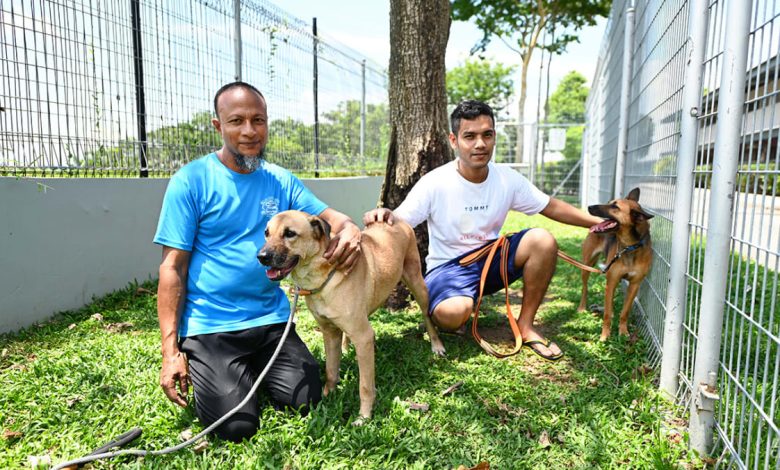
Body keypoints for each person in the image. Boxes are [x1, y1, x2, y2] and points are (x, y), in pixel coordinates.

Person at [153, 81, 361, 442]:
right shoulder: (190, 181)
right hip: (211, 327)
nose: (249, 131)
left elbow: (334, 219)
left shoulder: (281, 180)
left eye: (258, 120)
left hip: (270, 321)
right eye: (236, 121)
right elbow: (172, 268)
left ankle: (252, 370)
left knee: (307, 399)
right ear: (218, 126)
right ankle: (226, 372)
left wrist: (352, 229)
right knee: (235, 427)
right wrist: (170, 351)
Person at [363, 100, 602, 361]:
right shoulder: (435, 182)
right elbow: (400, 219)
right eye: (470, 136)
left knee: (542, 240)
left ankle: (526, 325)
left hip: (490, 261)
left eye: (487, 135)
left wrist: (596, 223)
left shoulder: (507, 178)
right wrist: (383, 216)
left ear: (494, 137)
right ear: (454, 141)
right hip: (448, 269)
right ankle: (455, 305)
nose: (480, 144)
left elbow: (550, 206)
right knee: (452, 316)